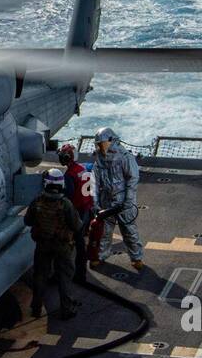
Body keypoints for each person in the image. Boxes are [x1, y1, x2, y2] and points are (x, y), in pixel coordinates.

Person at [24, 167, 82, 320]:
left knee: (40, 276)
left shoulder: (37, 202)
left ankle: (36, 308)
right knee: (65, 276)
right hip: (62, 245)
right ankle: (67, 308)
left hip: (42, 244)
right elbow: (77, 225)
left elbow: (27, 221)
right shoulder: (66, 204)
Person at [92, 127, 144, 271]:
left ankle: (136, 258)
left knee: (129, 230)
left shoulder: (124, 157)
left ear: (111, 141)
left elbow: (132, 179)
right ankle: (101, 255)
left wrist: (128, 200)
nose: (101, 147)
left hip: (123, 200)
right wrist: (95, 202)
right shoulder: (98, 160)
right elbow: (94, 182)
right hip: (106, 200)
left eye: (103, 143)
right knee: (104, 232)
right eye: (99, 144)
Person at [58, 143, 93, 285]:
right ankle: (81, 273)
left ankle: (77, 274)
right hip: (87, 209)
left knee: (71, 243)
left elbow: (69, 195)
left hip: (76, 211)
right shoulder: (83, 168)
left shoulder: (70, 174)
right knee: (80, 243)